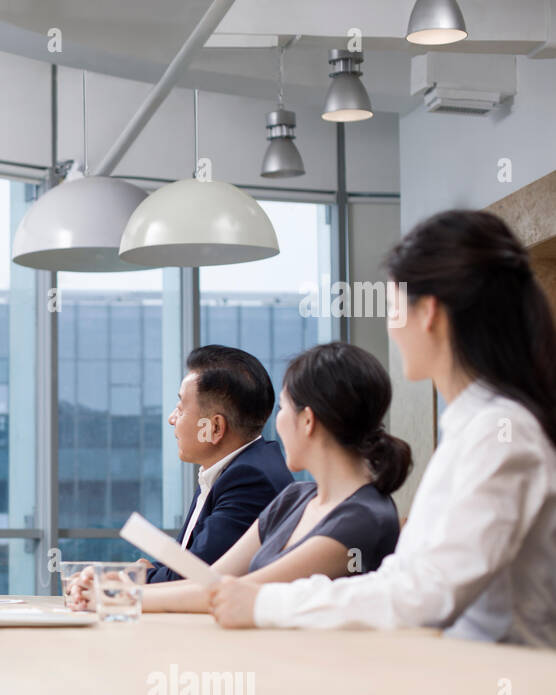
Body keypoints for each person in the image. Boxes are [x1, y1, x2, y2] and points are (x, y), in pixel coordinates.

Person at [210, 210, 556, 649]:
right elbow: (405, 580)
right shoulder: (476, 428)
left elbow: (427, 595)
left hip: (504, 690)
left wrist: (267, 604)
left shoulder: (501, 433)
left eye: (393, 307)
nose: (391, 327)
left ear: (428, 312)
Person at [139, 342, 408, 613]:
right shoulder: (295, 498)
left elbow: (229, 594)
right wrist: (117, 589)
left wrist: (121, 595)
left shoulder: (361, 519)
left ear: (307, 421)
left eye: (282, 408)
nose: (275, 425)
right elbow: (208, 580)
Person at [146, 345, 294, 582]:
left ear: (214, 427)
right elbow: (184, 559)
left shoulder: (250, 480)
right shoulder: (226, 469)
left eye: (181, 408)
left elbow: (193, 577)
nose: (172, 419)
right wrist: (141, 571)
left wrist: (130, 579)